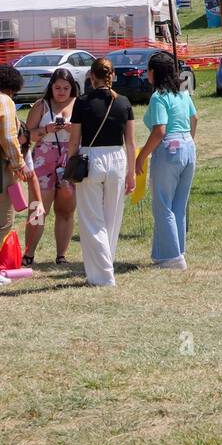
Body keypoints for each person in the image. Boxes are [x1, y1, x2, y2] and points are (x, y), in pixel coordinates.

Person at [66, 58, 136, 287]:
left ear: (91, 77)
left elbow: (74, 142)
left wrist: (69, 167)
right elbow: (131, 143)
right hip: (117, 159)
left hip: (90, 158)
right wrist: (132, 173)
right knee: (112, 217)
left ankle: (102, 274)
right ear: (112, 75)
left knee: (91, 219)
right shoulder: (124, 102)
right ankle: (106, 266)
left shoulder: (82, 102)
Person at [135, 52, 198, 270]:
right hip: (188, 146)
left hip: (169, 149)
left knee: (162, 205)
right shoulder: (182, 92)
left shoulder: (158, 96)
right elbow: (194, 118)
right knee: (178, 205)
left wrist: (142, 156)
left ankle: (172, 257)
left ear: (153, 72)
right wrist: (189, 140)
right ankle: (175, 252)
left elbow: (159, 130)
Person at [23, 68, 78, 265]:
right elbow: (26, 136)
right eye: (57, 87)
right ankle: (28, 255)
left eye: (66, 87)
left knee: (66, 209)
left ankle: (61, 255)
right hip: (43, 159)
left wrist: (74, 131)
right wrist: (46, 129)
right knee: (38, 208)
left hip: (69, 158)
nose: (61, 91)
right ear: (51, 88)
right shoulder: (41, 105)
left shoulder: (79, 104)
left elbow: (88, 135)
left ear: (72, 87)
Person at [0, 64, 30, 282]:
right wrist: (20, 164)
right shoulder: (5, 101)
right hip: (1, 167)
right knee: (3, 220)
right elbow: (10, 138)